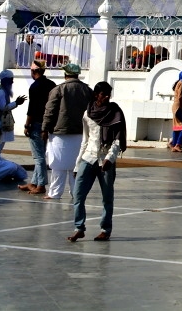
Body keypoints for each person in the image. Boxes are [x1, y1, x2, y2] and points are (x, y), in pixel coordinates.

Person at [70, 81, 125, 242]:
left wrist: (110, 158)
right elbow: (85, 140)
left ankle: (105, 229)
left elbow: (117, 140)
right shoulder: (88, 113)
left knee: (107, 197)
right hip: (88, 157)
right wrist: (77, 163)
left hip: (105, 160)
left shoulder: (115, 112)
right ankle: (79, 227)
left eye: (109, 94)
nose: (107, 97)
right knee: (78, 194)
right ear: (96, 95)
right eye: (104, 94)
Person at [41, 63, 92, 200]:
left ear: (65, 74)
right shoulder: (87, 90)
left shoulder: (58, 90)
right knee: (77, 166)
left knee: (58, 164)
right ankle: (77, 193)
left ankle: (55, 193)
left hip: (60, 134)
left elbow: (50, 111)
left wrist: (45, 129)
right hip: (81, 134)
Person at [19, 63, 55, 194]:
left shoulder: (34, 87)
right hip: (48, 124)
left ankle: (41, 185)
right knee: (40, 153)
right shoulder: (51, 85)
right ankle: (34, 182)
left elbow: (32, 109)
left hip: (37, 124)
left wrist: (27, 125)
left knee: (38, 156)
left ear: (34, 71)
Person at [0, 71, 24, 145]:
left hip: (3, 122)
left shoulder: (4, 91)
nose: (12, 82)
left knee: (0, 144)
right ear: (5, 80)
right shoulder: (0, 92)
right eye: (11, 79)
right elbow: (3, 108)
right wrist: (16, 103)